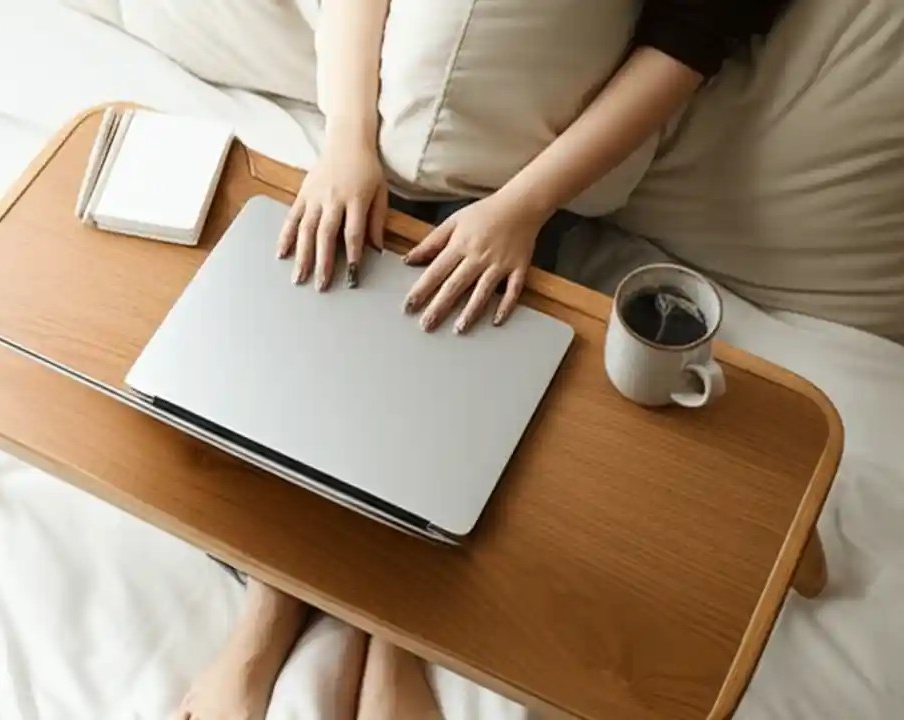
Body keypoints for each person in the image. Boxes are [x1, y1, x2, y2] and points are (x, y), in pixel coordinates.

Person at [174, 1, 791, 718]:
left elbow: (692, 35)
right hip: (368, 148)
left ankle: (388, 633)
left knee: (458, 390)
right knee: (307, 360)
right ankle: (268, 617)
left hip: (523, 192)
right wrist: (346, 139)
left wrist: (522, 209)